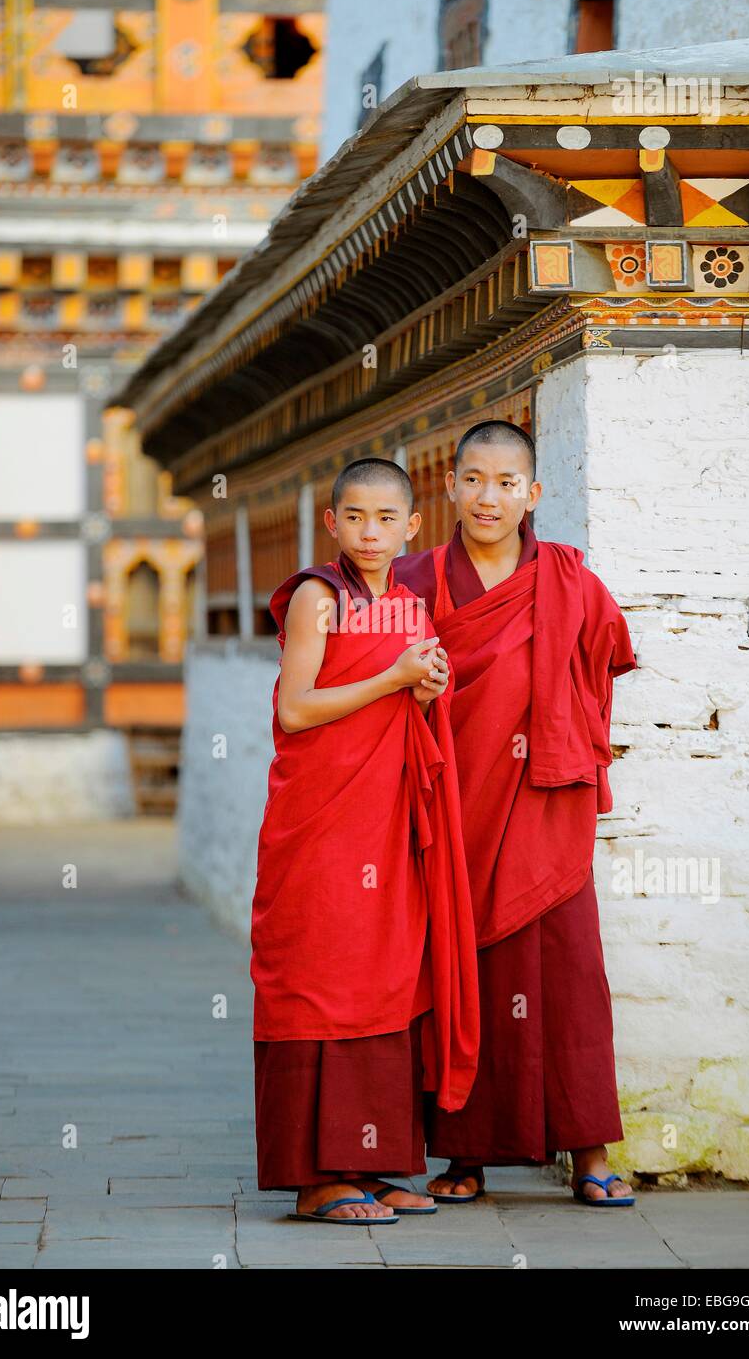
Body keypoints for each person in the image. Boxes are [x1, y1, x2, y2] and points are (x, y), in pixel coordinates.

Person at [394, 420, 639, 1208]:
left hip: (541, 808)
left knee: (568, 977)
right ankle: (464, 1154)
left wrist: (559, 737)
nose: (488, 497)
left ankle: (591, 1150)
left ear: (533, 494)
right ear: (449, 487)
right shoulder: (415, 581)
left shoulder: (569, 578)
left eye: (506, 483)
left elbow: (605, 658)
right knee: (460, 976)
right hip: (451, 805)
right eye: (473, 480)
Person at [251, 457, 480, 1224]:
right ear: (332, 524)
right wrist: (393, 679)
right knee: (322, 969)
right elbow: (297, 709)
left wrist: (426, 687)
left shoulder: (409, 605)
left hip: (385, 817)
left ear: (413, 527)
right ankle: (318, 1177)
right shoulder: (321, 596)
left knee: (385, 973)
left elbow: (414, 697)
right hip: (321, 820)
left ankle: (375, 1164)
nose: (370, 533)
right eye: (354, 518)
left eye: (386, 520)